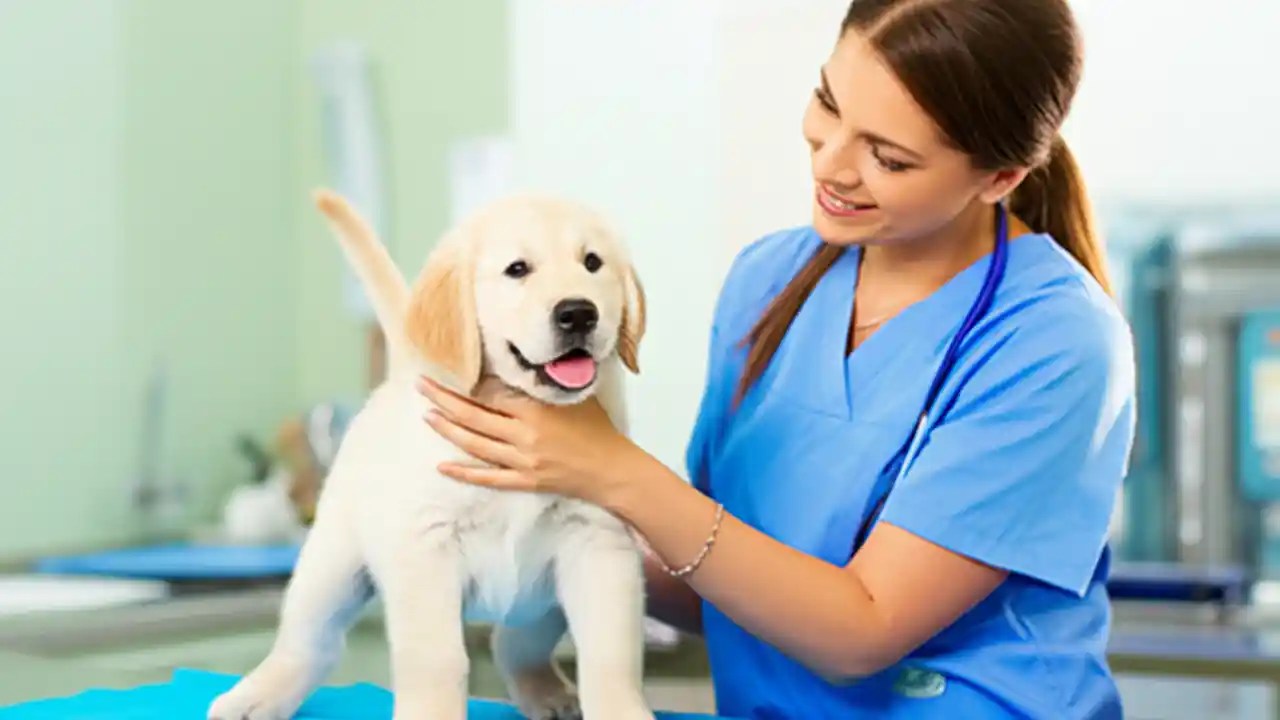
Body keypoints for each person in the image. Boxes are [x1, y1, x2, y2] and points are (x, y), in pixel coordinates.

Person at [419, 0, 1136, 717]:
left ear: (1000, 178)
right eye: (828, 103)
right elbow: (719, 581)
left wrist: (614, 471)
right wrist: (547, 529)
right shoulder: (768, 281)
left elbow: (862, 630)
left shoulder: (1054, 341)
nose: (831, 164)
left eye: (887, 157)